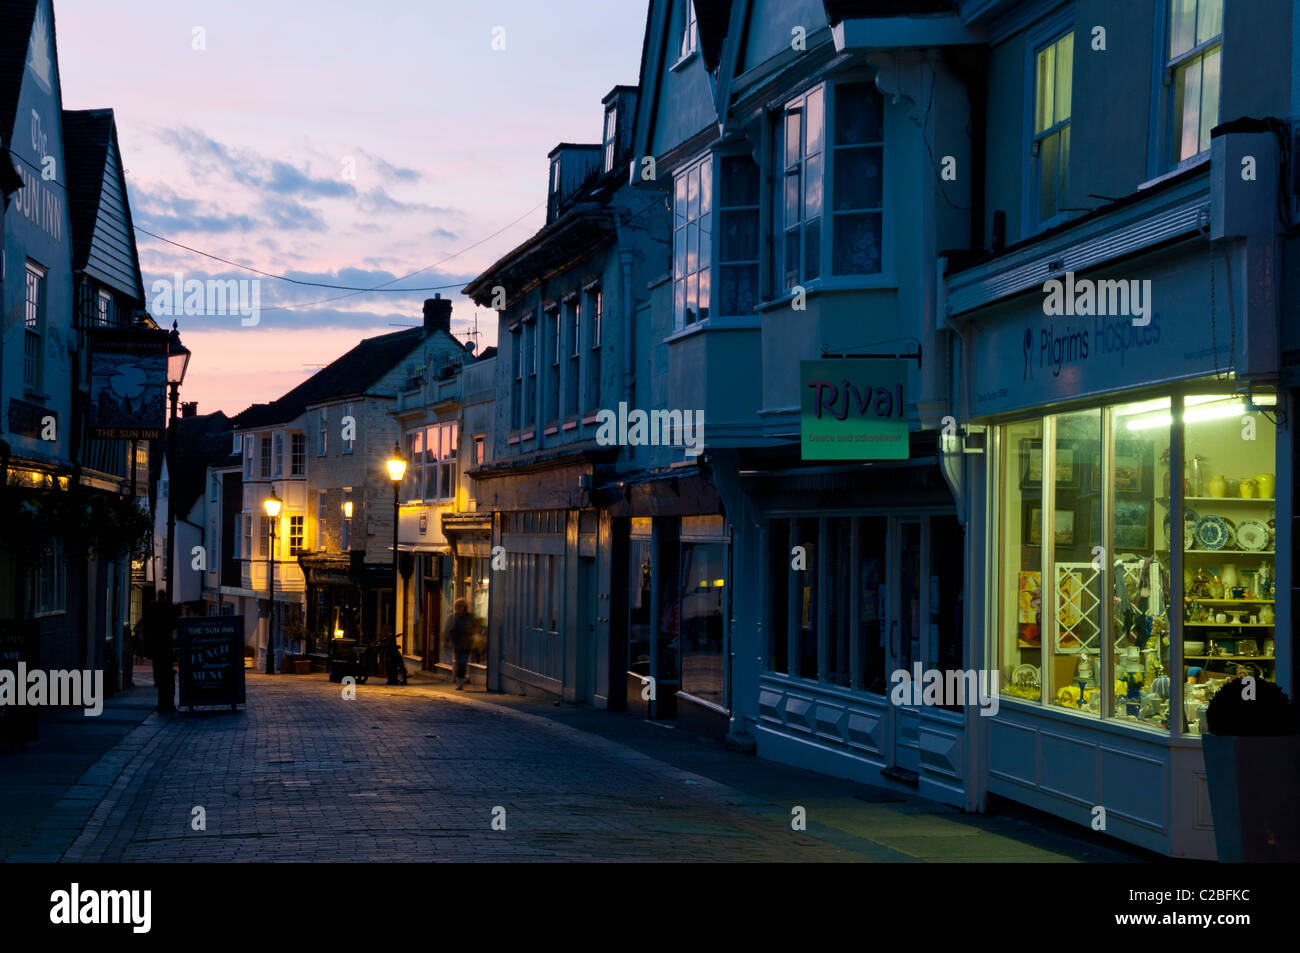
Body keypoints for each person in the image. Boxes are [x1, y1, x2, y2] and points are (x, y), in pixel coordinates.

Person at [145, 590, 177, 714]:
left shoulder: (154, 608)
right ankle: (166, 700)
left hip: (157, 644)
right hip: (166, 644)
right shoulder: (169, 608)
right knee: (166, 670)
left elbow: (148, 624)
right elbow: (174, 624)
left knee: (159, 668)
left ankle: (160, 690)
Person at [447, 598, 482, 690]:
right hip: (457, 644)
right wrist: (448, 641)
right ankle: (459, 681)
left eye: (461, 607)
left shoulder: (469, 617)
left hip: (466, 644)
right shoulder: (453, 617)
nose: (459, 609)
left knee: (462, 662)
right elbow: (449, 630)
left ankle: (460, 682)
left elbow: (475, 627)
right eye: (458, 607)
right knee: (460, 662)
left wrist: (470, 632)